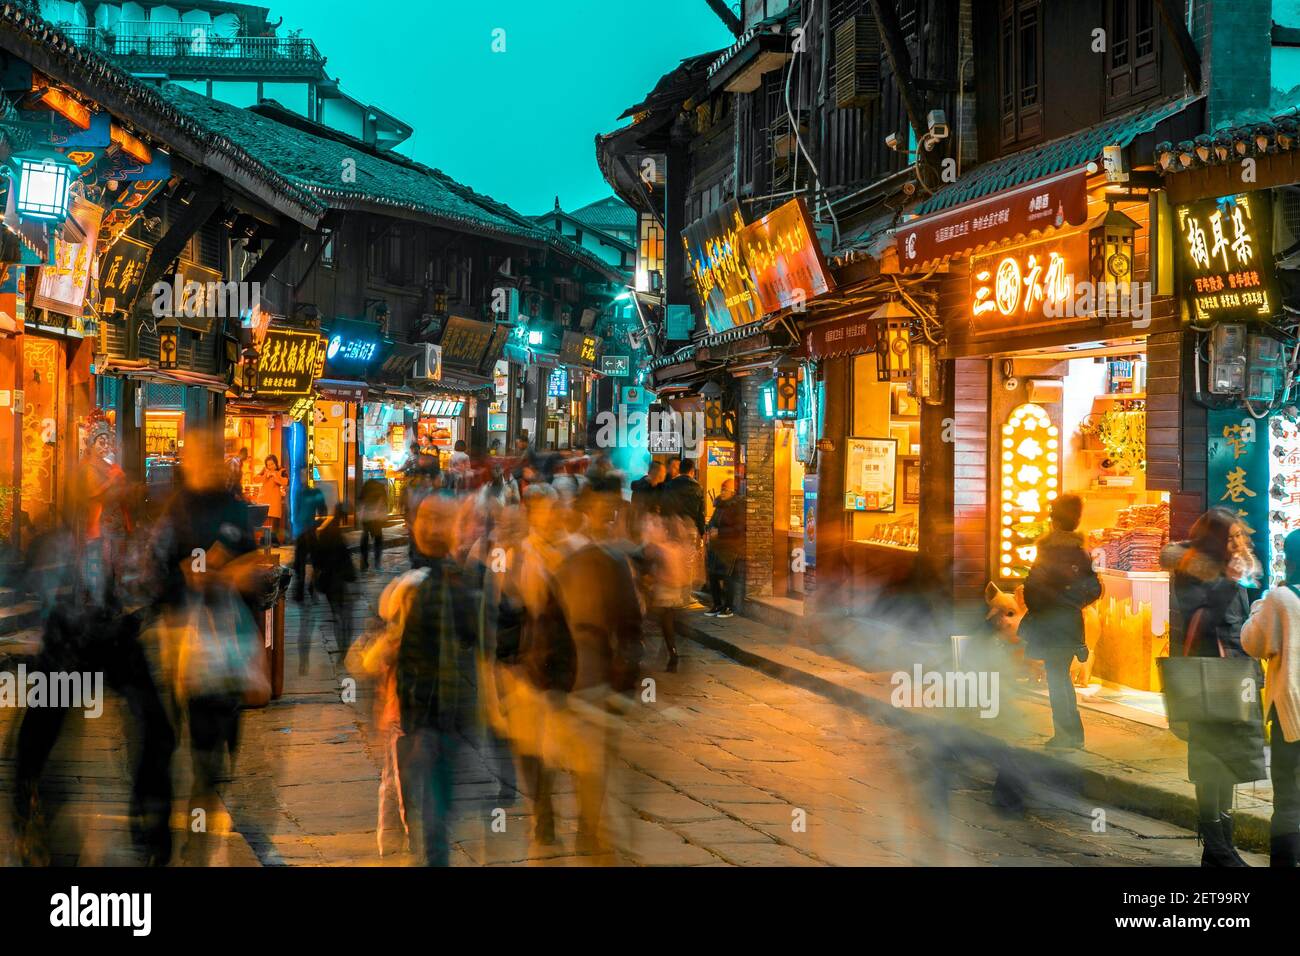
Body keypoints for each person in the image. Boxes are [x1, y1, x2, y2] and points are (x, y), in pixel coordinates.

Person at [1163, 507, 1267, 866]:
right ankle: (1217, 846)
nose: (1239, 542)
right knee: (1210, 764)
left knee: (1231, 761)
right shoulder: (1194, 572)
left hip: (1235, 677)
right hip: (1206, 678)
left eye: (1241, 535)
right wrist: (1230, 581)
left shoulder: (1235, 573)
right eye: (1231, 537)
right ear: (1214, 541)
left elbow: (1240, 626)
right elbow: (1202, 621)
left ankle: (1221, 845)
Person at [1020, 493, 1101, 751]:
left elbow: (1033, 590)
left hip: (1051, 623)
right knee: (1061, 676)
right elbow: (1095, 589)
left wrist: (1046, 605)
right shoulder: (1081, 554)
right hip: (1072, 623)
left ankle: (1066, 735)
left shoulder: (1048, 553)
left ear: (1054, 521)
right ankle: (1073, 734)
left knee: (1057, 678)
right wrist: (1074, 603)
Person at [1241, 528, 1300, 867]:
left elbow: (1255, 643)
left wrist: (1260, 604)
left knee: (1289, 798)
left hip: (1290, 711)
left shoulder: (1281, 598)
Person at [315, 503, 359, 656]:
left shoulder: (327, 530)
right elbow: (345, 560)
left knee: (337, 614)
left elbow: (318, 558)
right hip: (339, 580)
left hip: (329, 581)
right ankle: (344, 647)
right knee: (345, 615)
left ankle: (342, 647)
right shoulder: (336, 534)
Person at [706, 479, 744, 619]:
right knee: (713, 576)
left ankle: (728, 606)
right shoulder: (720, 506)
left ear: (732, 491)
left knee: (729, 578)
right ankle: (717, 604)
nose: (722, 492)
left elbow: (739, 528)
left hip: (730, 546)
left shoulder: (737, 506)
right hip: (716, 547)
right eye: (722, 489)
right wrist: (709, 530)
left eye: (725, 489)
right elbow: (712, 522)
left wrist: (720, 532)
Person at [292, 470, 327, 603]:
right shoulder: (298, 493)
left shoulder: (311, 493)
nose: (303, 478)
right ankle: (304, 590)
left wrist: (316, 523)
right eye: (301, 475)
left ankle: (308, 588)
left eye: (305, 475)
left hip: (308, 532)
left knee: (313, 562)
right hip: (304, 533)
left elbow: (323, 511)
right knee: (303, 563)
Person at [661, 457, 706, 537]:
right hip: (691, 529)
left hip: (674, 529)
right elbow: (701, 513)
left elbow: (665, 507)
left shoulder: (670, 485)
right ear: (692, 471)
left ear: (680, 470)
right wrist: (702, 532)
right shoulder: (698, 487)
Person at [358, 477, 389, 571]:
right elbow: (384, 502)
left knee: (365, 538)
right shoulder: (380, 488)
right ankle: (377, 563)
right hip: (376, 518)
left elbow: (360, 500)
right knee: (378, 540)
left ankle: (364, 563)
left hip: (366, 517)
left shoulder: (366, 487)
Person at [257, 455, 288, 544]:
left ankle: (274, 541)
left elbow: (286, 482)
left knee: (275, 521)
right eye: (268, 465)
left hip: (275, 499)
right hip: (263, 498)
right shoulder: (264, 470)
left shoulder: (281, 470)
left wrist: (275, 476)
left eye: (272, 464)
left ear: (276, 463)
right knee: (264, 521)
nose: (270, 466)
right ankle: (264, 540)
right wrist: (266, 476)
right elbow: (256, 479)